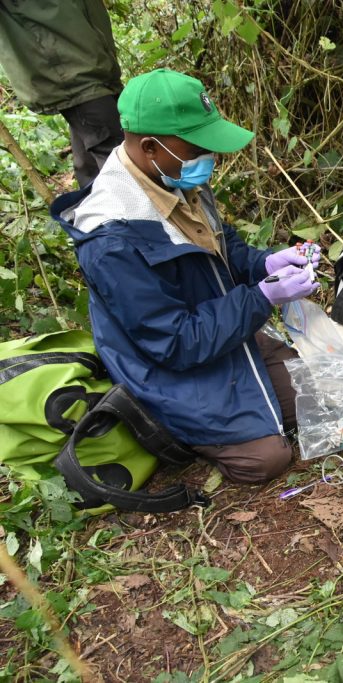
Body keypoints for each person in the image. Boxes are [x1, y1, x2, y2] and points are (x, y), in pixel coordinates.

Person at [51, 68, 320, 484]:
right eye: (199, 147)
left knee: (315, 391)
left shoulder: (174, 175)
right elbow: (174, 343)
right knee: (266, 459)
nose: (209, 158)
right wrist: (262, 298)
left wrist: (265, 264)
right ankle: (171, 428)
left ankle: (245, 386)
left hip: (213, 323)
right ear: (150, 146)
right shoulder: (111, 240)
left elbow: (223, 247)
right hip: (165, 362)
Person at [0, 0, 125, 187]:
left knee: (93, 166)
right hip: (68, 71)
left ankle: (97, 212)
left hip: (92, 63)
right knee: (123, 160)